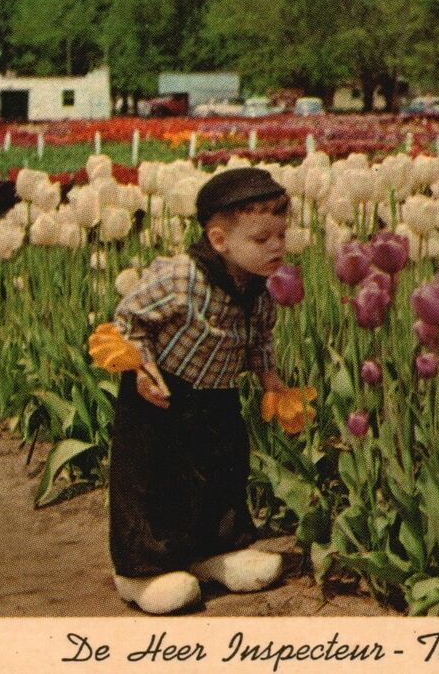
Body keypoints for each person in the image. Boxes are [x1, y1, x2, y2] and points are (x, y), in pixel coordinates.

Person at [103, 168, 296, 614]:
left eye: (281, 236)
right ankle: (141, 569)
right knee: (154, 476)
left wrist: (269, 378)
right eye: (261, 239)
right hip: (160, 393)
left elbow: (259, 339)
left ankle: (216, 548)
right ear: (219, 240)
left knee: (223, 467)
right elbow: (130, 317)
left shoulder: (261, 290)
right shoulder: (182, 278)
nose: (276, 247)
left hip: (217, 393)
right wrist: (141, 368)